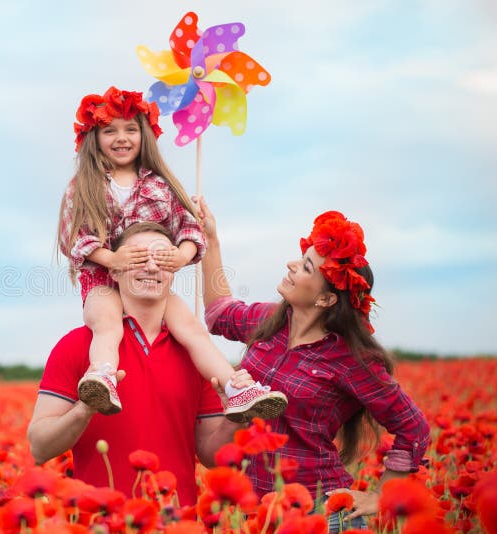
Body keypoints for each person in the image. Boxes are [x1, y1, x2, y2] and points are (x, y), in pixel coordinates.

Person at [195, 196, 431, 532]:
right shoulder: (270, 321)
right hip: (258, 512)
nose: (291, 264)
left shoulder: (351, 358)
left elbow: (414, 427)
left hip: (322, 514)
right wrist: (211, 240)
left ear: (326, 299)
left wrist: (382, 495)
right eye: (302, 259)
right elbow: (219, 313)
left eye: (306, 267)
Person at [57, 86, 286, 422]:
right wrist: (112, 260)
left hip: (151, 281)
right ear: (94, 137)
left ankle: (235, 388)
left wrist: (182, 255)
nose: (121, 138)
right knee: (106, 323)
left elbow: (189, 229)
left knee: (191, 327)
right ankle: (102, 375)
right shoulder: (84, 184)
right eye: (110, 131)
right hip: (103, 279)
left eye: (131, 129)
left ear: (145, 135)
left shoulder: (160, 184)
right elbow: (72, 238)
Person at [28, 222, 252, 505]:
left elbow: (213, 458)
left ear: (173, 271)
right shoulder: (77, 346)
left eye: (161, 258)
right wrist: (84, 410)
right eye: (137, 257)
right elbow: (39, 447)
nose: (150, 267)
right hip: (98, 520)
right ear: (114, 269)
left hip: (176, 522)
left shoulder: (199, 356)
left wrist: (236, 418)